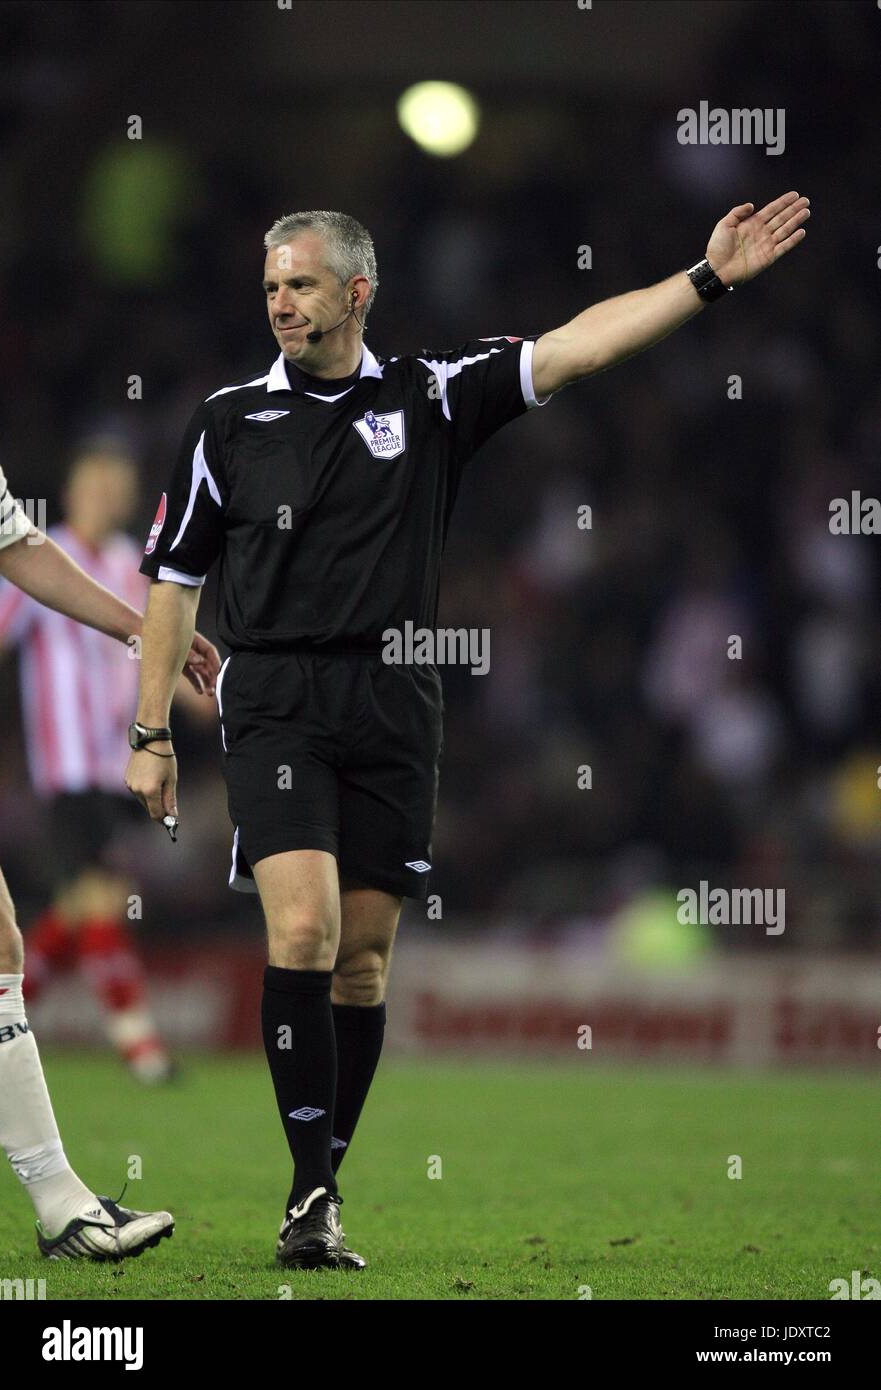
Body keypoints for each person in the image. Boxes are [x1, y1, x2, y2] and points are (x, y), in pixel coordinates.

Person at [125, 195, 809, 1269]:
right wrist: (150, 727)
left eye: (299, 283)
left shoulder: (432, 395)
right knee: (299, 934)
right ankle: (309, 1194)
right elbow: (172, 579)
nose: (279, 303)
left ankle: (324, 1186)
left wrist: (705, 279)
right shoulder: (225, 421)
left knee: (360, 964)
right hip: (278, 699)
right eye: (269, 285)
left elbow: (578, 348)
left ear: (358, 290)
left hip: (396, 701)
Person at [0, 425, 220, 1258]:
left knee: (11, 938)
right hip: (63, 773)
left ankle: (62, 1207)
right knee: (71, 913)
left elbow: (17, 546)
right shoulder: (46, 560)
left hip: (110, 766)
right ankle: (138, 1045)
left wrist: (184, 671)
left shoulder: (121, 559)